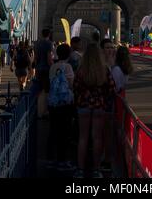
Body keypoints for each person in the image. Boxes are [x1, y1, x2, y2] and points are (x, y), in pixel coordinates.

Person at [73, 44, 116, 179]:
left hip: (83, 106)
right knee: (97, 138)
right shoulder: (104, 69)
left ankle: (80, 170)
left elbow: (75, 87)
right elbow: (112, 88)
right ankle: (96, 170)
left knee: (83, 138)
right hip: (99, 106)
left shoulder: (81, 70)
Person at [47, 44, 74, 169]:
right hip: (65, 103)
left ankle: (52, 159)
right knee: (65, 131)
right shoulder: (68, 67)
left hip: (53, 103)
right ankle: (63, 160)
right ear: (68, 54)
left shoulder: (53, 66)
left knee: (53, 129)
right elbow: (70, 84)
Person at [34, 29, 54, 118]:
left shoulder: (37, 43)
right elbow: (49, 58)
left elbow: (36, 58)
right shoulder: (49, 43)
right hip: (46, 69)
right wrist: (53, 66)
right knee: (46, 91)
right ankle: (43, 111)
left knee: (39, 89)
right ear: (49, 34)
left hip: (39, 68)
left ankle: (38, 109)